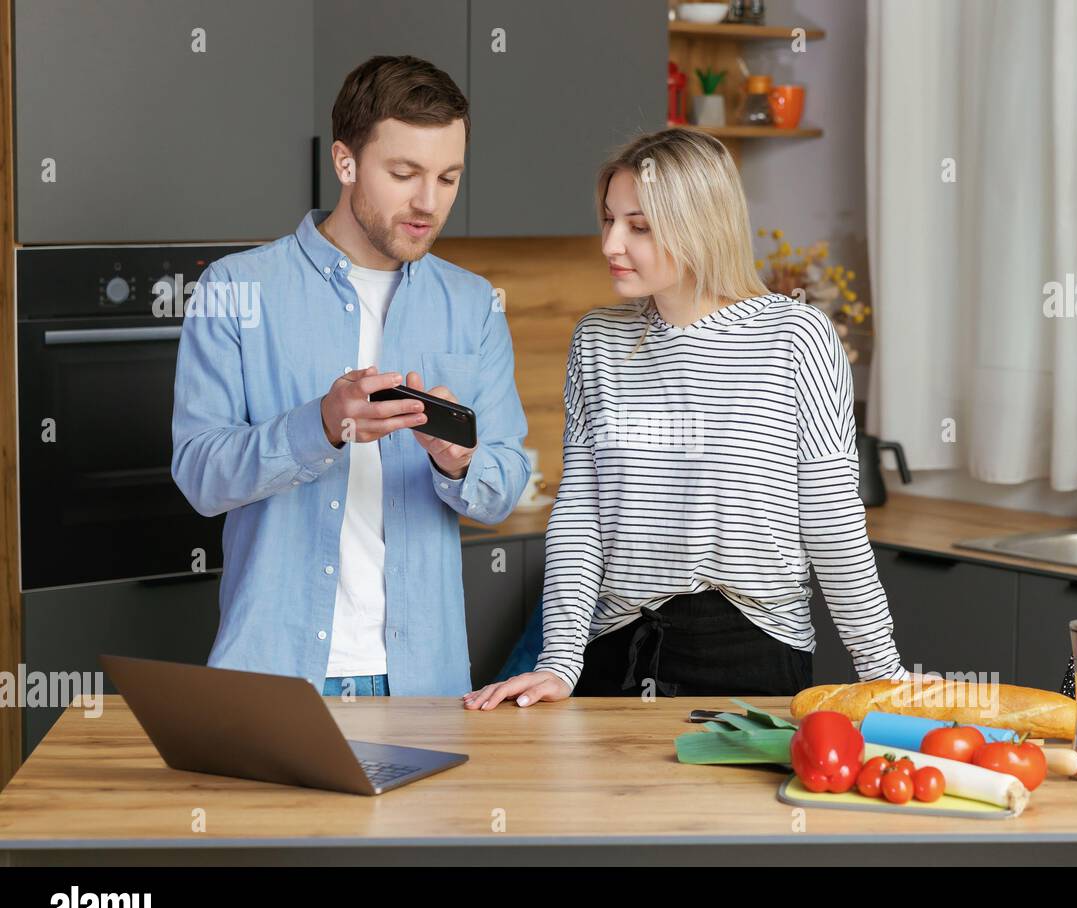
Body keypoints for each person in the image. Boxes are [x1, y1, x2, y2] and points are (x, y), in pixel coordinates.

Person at [464, 128, 905, 711]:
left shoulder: (795, 338)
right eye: (608, 220)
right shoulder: (598, 340)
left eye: (639, 226)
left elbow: (832, 525)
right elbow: (581, 515)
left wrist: (887, 676)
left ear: (700, 225)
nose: (611, 244)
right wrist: (560, 661)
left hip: (755, 651)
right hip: (617, 648)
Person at [172, 55, 528, 697]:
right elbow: (199, 475)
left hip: (425, 684)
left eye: (448, 178)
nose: (429, 202)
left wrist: (457, 460)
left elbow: (505, 487)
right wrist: (321, 425)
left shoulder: (473, 304)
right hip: (275, 677)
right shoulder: (235, 287)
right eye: (403, 173)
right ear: (345, 162)